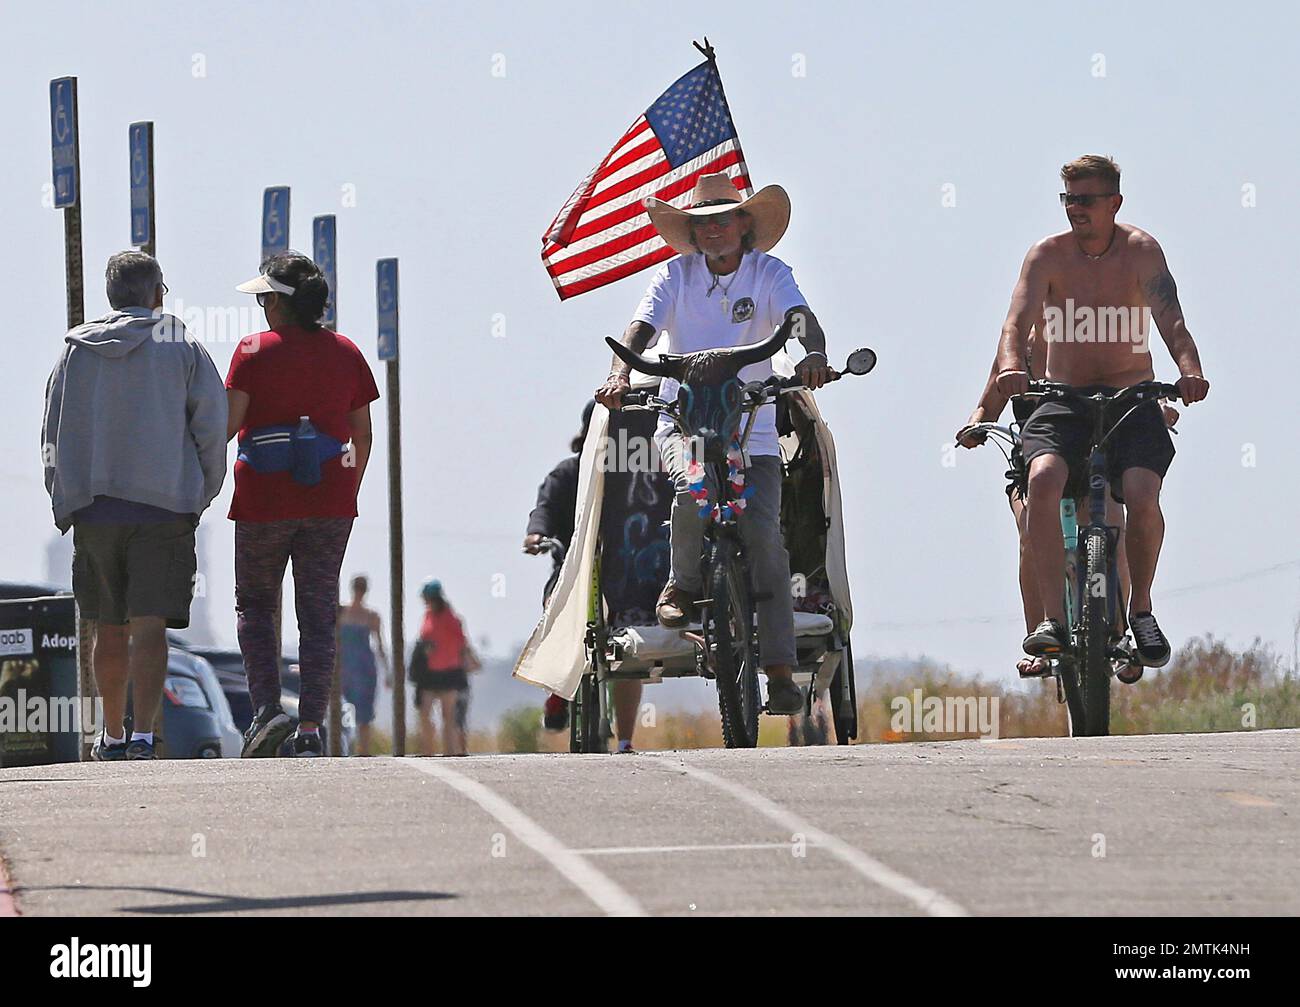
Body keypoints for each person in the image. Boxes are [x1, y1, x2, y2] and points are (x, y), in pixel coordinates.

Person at [595, 172, 832, 725]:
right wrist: (619, 376)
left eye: (723, 220)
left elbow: (801, 322)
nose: (713, 232)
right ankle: (679, 585)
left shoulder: (770, 274)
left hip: (753, 426)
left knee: (765, 540)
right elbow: (638, 332)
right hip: (685, 419)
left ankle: (776, 671)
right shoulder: (674, 277)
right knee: (691, 488)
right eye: (702, 224)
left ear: (744, 224)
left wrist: (814, 354)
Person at [994, 155, 1209, 670]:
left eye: (1086, 200)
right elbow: (1015, 323)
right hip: (1062, 398)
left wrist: (1190, 368)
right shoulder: (1046, 255)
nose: (1076, 210)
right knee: (1042, 482)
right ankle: (1051, 619)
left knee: (1140, 491)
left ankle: (1141, 610)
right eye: (1068, 200)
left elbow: (1171, 318)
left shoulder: (1140, 251)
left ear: (1115, 203)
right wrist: (1009, 369)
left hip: (1129, 398)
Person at [41, 251, 227, 761]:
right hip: (164, 508)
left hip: (95, 507)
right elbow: (212, 426)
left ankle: (112, 735)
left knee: (108, 626)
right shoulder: (180, 345)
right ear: (156, 293)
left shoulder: (76, 351)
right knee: (150, 626)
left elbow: (51, 430)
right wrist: (201, 493)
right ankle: (144, 736)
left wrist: (65, 494)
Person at [959, 327, 1180, 679]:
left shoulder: (1091, 336)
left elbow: (1130, 380)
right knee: (1028, 530)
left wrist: (1159, 408)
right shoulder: (1021, 346)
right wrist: (976, 422)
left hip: (1089, 452)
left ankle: (1120, 634)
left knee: (1113, 522)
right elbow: (991, 396)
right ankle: (1040, 636)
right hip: (1036, 455)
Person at [226, 253, 379, 758]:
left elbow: (227, 427)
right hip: (329, 501)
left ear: (278, 303)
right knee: (317, 612)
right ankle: (312, 726)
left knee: (256, 604)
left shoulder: (252, 352)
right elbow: (362, 433)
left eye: (265, 297)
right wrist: (348, 488)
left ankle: (267, 713)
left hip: (263, 501)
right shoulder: (347, 353)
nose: (262, 307)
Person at [523, 400, 593, 732]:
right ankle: (558, 693)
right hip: (570, 571)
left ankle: (624, 735)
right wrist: (537, 535)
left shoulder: (635, 469)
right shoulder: (568, 473)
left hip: (626, 573)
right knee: (556, 609)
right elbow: (545, 508)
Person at [413, 579, 469, 756]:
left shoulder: (451, 618)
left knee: (448, 716)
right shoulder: (427, 616)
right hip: (429, 673)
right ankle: (428, 751)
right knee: (425, 713)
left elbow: (461, 643)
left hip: (449, 672)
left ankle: (449, 753)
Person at [338, 574, 388, 756]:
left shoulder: (372, 616)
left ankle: (363, 751)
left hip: (364, 667)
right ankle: (342, 748)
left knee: (365, 711)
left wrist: (388, 671)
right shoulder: (341, 612)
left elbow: (380, 644)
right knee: (341, 709)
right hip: (344, 668)